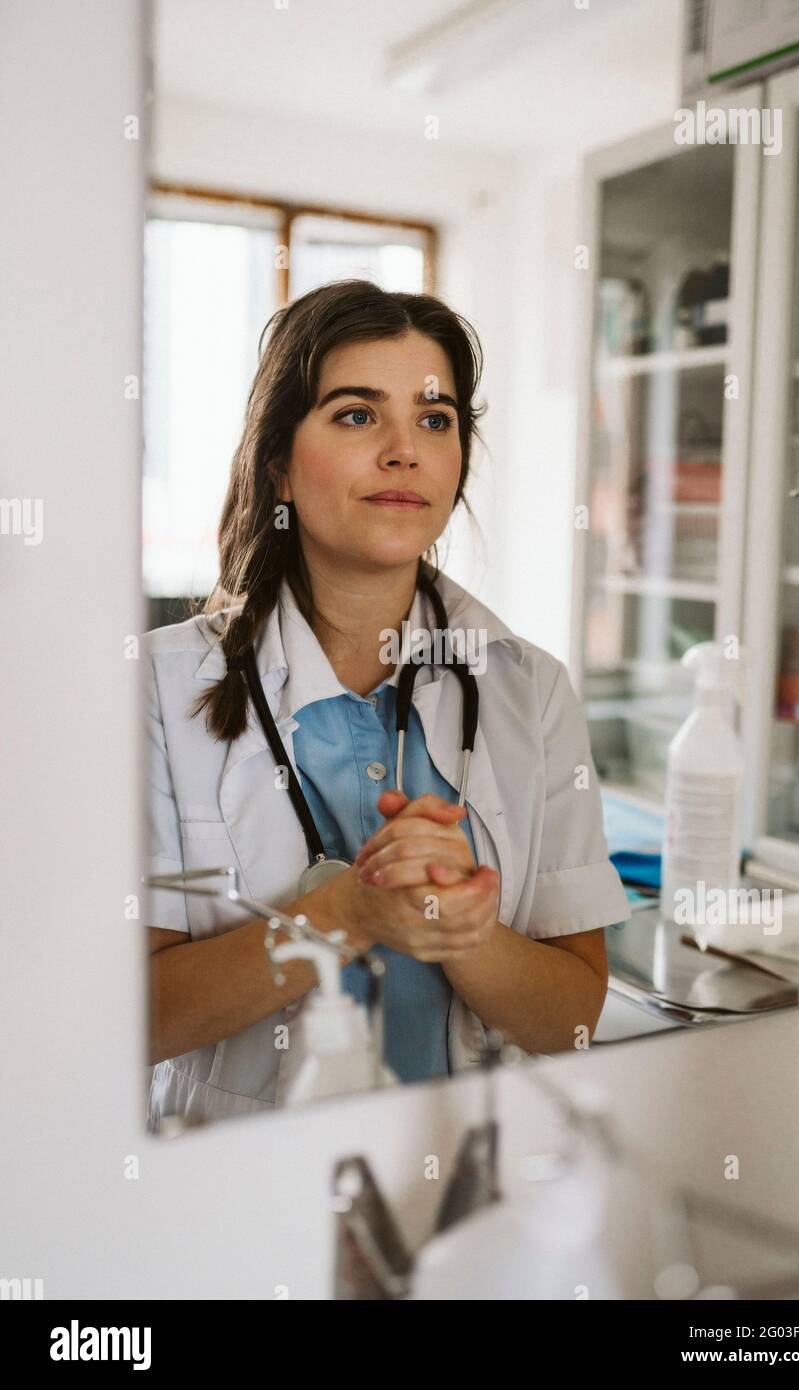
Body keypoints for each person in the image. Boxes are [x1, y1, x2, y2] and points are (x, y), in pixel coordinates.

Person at [144, 278, 630, 1128]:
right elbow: (126, 1021)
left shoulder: (531, 689)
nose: (405, 451)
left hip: (466, 1173)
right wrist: (344, 913)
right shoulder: (153, 688)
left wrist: (463, 927)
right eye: (358, 414)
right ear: (278, 463)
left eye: (435, 420)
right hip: (236, 1176)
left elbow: (574, 1024)